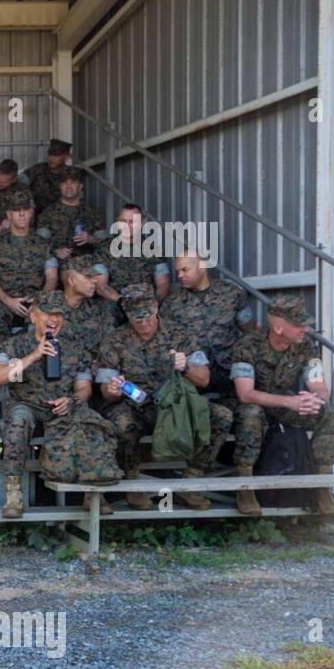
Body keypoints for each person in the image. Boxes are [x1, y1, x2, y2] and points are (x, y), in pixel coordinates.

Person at [96, 285, 232, 511]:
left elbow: (204, 379)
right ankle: (132, 482)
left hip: (175, 405)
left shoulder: (180, 335)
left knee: (222, 416)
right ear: (127, 316)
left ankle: (192, 480)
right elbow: (105, 392)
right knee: (122, 423)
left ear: (156, 307)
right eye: (137, 319)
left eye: (148, 316)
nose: (144, 323)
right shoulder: (114, 341)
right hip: (135, 407)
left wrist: (186, 367)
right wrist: (112, 389)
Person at [0, 290, 103, 518]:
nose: (54, 319)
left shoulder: (74, 349)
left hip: (61, 408)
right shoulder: (16, 346)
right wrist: (33, 355)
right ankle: (14, 493)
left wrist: (72, 400)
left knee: (92, 419)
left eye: (59, 314)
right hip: (27, 405)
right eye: (48, 313)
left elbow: (84, 387)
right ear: (33, 316)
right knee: (18, 420)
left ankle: (94, 492)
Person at [229, 293, 334, 516]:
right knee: (250, 414)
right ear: (279, 328)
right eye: (299, 325)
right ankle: (246, 488)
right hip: (254, 406)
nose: (305, 329)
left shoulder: (307, 346)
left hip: (285, 406)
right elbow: (245, 394)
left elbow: (320, 386)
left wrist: (314, 400)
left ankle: (322, 488)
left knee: (330, 413)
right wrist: (291, 402)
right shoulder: (247, 346)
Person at [159, 248, 253, 396]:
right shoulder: (172, 304)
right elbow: (164, 340)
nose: (180, 275)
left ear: (202, 266)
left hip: (231, 375)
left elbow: (249, 329)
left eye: (185, 270)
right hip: (195, 379)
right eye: (178, 271)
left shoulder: (231, 293)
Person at [0, 189, 56, 349]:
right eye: (16, 210)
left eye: (26, 209)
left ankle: (35, 362)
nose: (22, 214)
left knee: (51, 315)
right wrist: (8, 301)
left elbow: (52, 278)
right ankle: (5, 363)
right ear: (9, 214)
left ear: (31, 212)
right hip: (4, 300)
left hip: (35, 299)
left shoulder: (43, 244)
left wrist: (39, 301)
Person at [95, 203, 170, 313]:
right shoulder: (105, 248)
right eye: (123, 221)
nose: (127, 226)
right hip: (116, 304)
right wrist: (123, 302)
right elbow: (101, 286)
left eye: (132, 222)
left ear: (142, 223)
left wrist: (153, 304)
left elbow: (163, 284)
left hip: (147, 305)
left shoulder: (153, 248)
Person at [37, 166, 107, 261]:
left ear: (80, 186)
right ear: (59, 186)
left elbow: (105, 243)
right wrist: (55, 251)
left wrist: (91, 239)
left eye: (73, 182)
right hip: (57, 262)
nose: (68, 186)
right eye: (64, 182)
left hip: (86, 262)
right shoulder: (47, 213)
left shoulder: (93, 213)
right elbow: (38, 242)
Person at [57, 255, 115, 357]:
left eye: (94, 276)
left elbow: (110, 343)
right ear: (71, 281)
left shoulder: (99, 308)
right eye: (88, 277)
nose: (95, 281)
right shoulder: (48, 309)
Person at [21, 138, 72, 217]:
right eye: (50, 154)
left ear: (66, 157)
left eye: (56, 155)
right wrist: (30, 203)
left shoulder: (70, 174)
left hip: (61, 216)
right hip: (36, 215)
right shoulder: (37, 169)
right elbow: (19, 185)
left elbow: (76, 197)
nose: (51, 158)